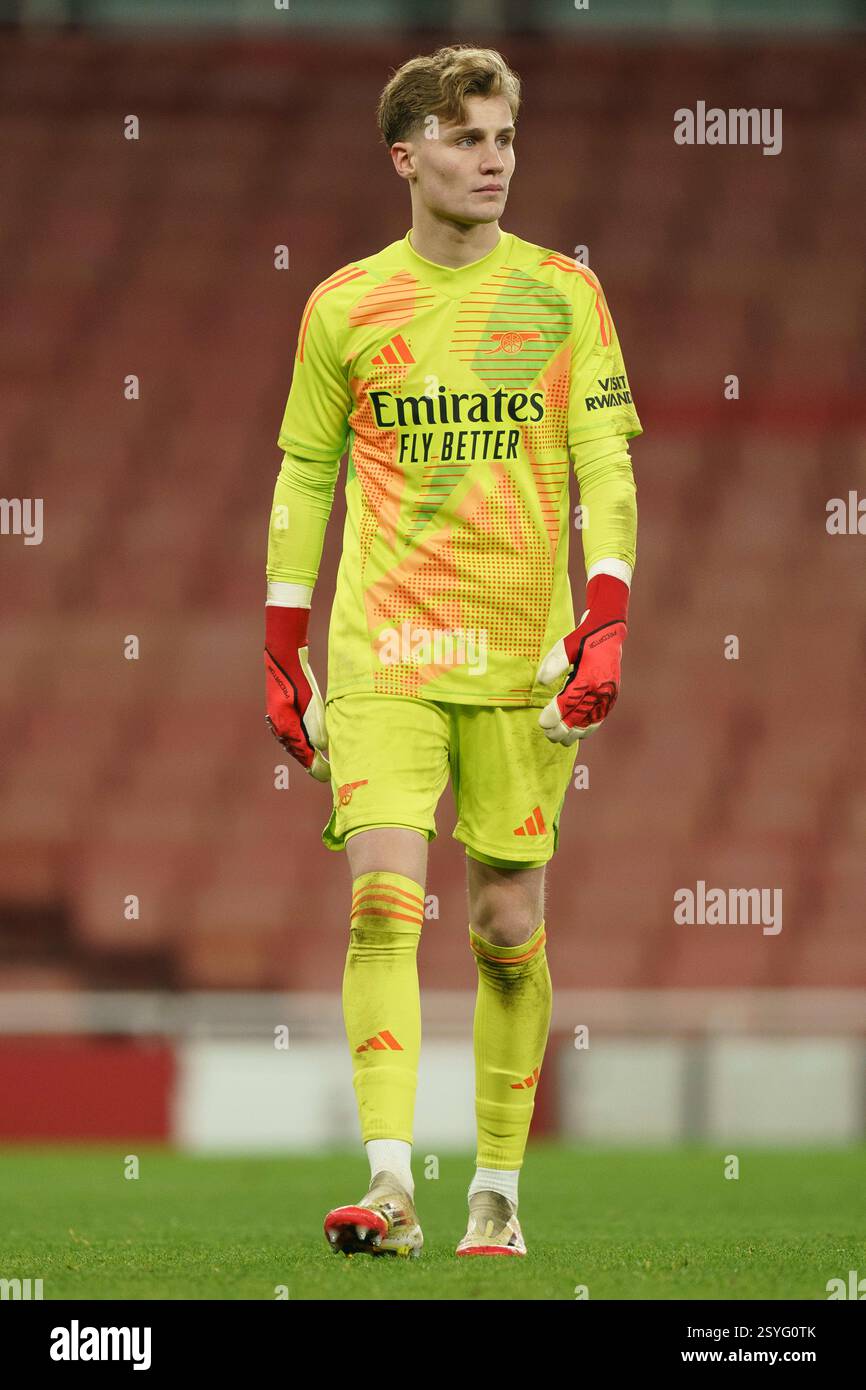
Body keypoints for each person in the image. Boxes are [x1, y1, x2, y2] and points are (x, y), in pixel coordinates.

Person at [264, 44, 642, 1259]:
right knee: (384, 900)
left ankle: (495, 1190)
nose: (493, 161)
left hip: (520, 658)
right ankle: (387, 1185)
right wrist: (282, 639)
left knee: (499, 920)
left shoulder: (562, 298)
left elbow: (604, 466)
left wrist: (607, 613)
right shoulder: (342, 305)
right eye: (468, 138)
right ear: (406, 153)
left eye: (504, 139)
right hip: (382, 645)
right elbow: (305, 472)